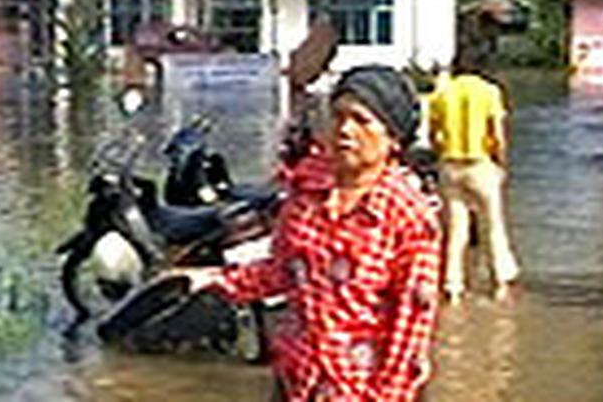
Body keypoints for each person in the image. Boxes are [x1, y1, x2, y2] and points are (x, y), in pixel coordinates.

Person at [176, 65, 442, 401]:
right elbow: (282, 272)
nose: (345, 130)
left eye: (361, 121)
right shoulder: (306, 195)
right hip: (297, 379)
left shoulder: (407, 214)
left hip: (360, 389)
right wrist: (214, 281)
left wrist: (387, 395)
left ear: (393, 137)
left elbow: (410, 325)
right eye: (339, 117)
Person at [428, 47, 520, 305]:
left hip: (450, 164)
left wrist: (440, 156)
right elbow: (497, 136)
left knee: (456, 231)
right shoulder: (490, 92)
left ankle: (452, 286)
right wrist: (501, 163)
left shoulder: (443, 93)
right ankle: (499, 282)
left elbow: (435, 134)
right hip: (480, 163)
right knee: (492, 225)